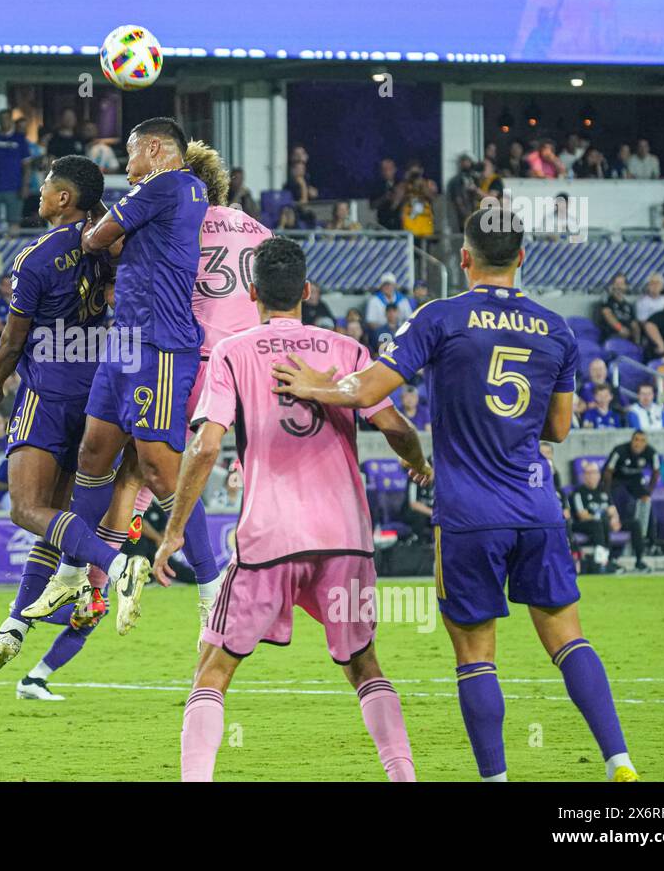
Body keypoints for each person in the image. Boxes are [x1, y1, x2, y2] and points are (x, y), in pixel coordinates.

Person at [272, 205, 638, 782]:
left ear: (463, 258)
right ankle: (621, 761)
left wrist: (315, 385)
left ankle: (495, 779)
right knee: (569, 639)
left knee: (476, 655)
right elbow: (560, 430)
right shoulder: (557, 328)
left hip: (469, 513)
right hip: (537, 508)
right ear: (522, 257)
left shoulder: (441, 317)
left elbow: (369, 387)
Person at [158, 236, 426, 782]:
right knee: (364, 664)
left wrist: (174, 531)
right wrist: (418, 463)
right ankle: (403, 777)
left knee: (214, 668)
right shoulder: (347, 350)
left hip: (269, 536)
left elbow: (206, 445)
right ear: (307, 291)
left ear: (252, 292)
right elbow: (396, 427)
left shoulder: (232, 352)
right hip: (346, 537)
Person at [20, 119, 221, 639]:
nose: (124, 165)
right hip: (125, 343)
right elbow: (110, 244)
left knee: (158, 469)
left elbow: (93, 240)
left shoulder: (166, 184)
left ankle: (212, 590)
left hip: (160, 344)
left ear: (154, 149)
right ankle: (69, 575)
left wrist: (102, 231)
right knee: (93, 452)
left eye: (130, 152)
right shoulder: (169, 193)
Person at [0, 155, 114, 683]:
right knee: (56, 521)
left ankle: (116, 567)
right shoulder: (112, 243)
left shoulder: (34, 257)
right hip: (97, 397)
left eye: (46, 187)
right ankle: (14, 625)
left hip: (47, 395)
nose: (38, 193)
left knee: (26, 509)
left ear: (62, 199)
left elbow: (13, 337)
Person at [602, 430, 657, 574]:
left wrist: (648, 492)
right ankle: (614, 552)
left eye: (642, 440)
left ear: (646, 443)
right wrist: (607, 496)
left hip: (634, 482)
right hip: (617, 481)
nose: (638, 443)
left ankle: (652, 542)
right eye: (636, 440)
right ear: (632, 440)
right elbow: (608, 471)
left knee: (646, 504)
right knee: (620, 497)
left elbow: (656, 471)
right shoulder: (619, 451)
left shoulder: (651, 453)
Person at [570, 462, 619, 574]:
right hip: (581, 525)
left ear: (599, 475)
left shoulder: (604, 491)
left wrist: (615, 519)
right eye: (588, 473)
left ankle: (638, 561)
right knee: (598, 523)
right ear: (583, 476)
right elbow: (582, 516)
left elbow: (613, 510)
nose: (592, 476)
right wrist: (603, 514)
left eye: (594, 473)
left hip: (604, 524)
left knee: (634, 524)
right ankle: (601, 560)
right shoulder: (578, 493)